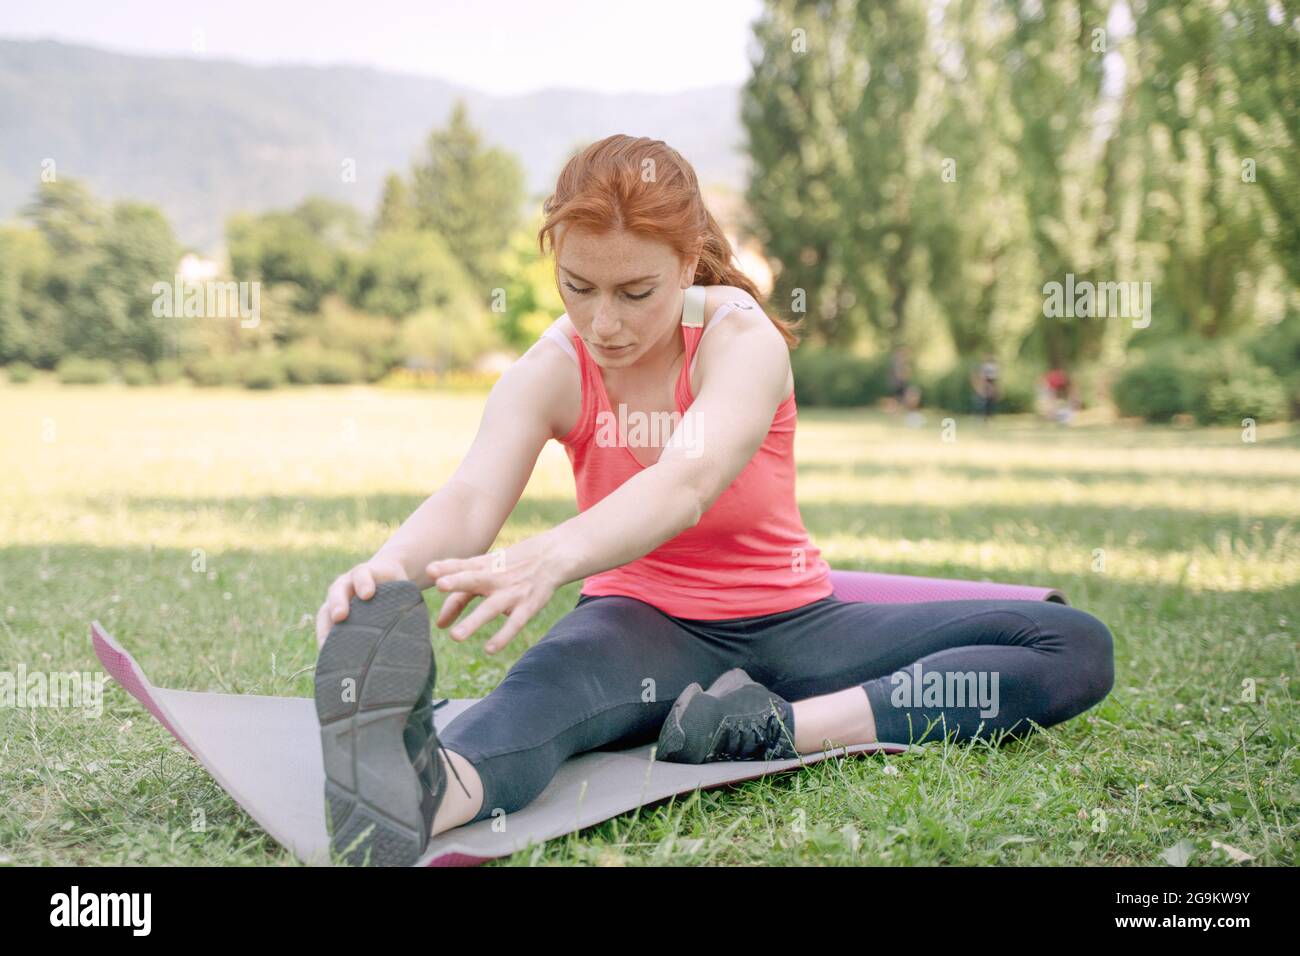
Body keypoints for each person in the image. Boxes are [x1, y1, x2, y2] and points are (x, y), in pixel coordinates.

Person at [312, 135, 1116, 866]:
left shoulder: (740, 341)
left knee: (1071, 643)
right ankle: (420, 790)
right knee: (543, 692)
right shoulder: (552, 368)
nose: (603, 323)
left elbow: (688, 481)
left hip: (801, 627)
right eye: (578, 287)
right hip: (640, 628)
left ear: (690, 257)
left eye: (636, 292)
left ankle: (774, 729)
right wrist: (383, 572)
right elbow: (471, 494)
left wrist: (548, 557)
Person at [970, 354, 1000, 421]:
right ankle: (985, 416)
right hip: (987, 383)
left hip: (989, 383)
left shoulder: (990, 366)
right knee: (985, 401)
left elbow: (992, 378)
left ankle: (987, 416)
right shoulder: (988, 366)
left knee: (989, 401)